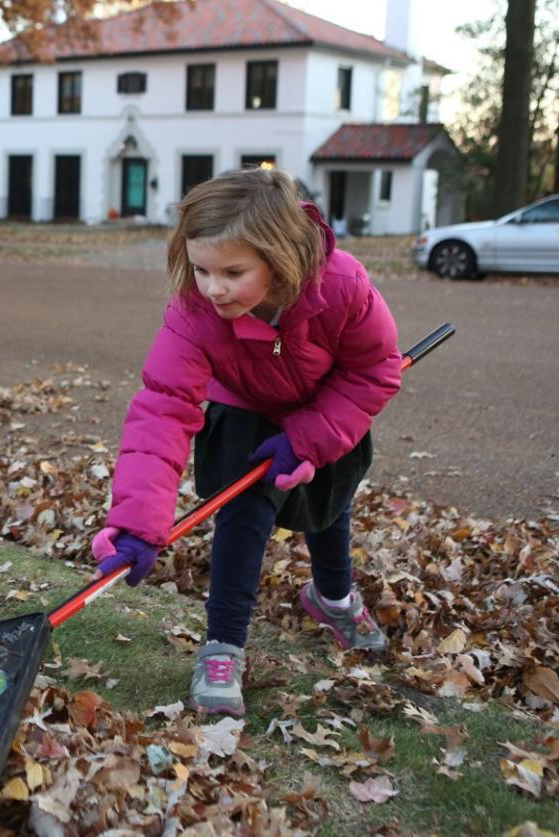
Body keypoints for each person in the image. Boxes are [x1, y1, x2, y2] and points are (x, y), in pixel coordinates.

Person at [91, 167, 402, 717]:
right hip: (242, 406)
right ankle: (224, 645)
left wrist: (308, 439)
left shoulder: (343, 285)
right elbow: (162, 410)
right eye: (201, 267)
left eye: (233, 271)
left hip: (327, 407)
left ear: (280, 258)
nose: (213, 287)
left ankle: (332, 599)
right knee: (242, 512)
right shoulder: (194, 312)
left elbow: (373, 371)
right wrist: (138, 523)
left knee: (329, 501)